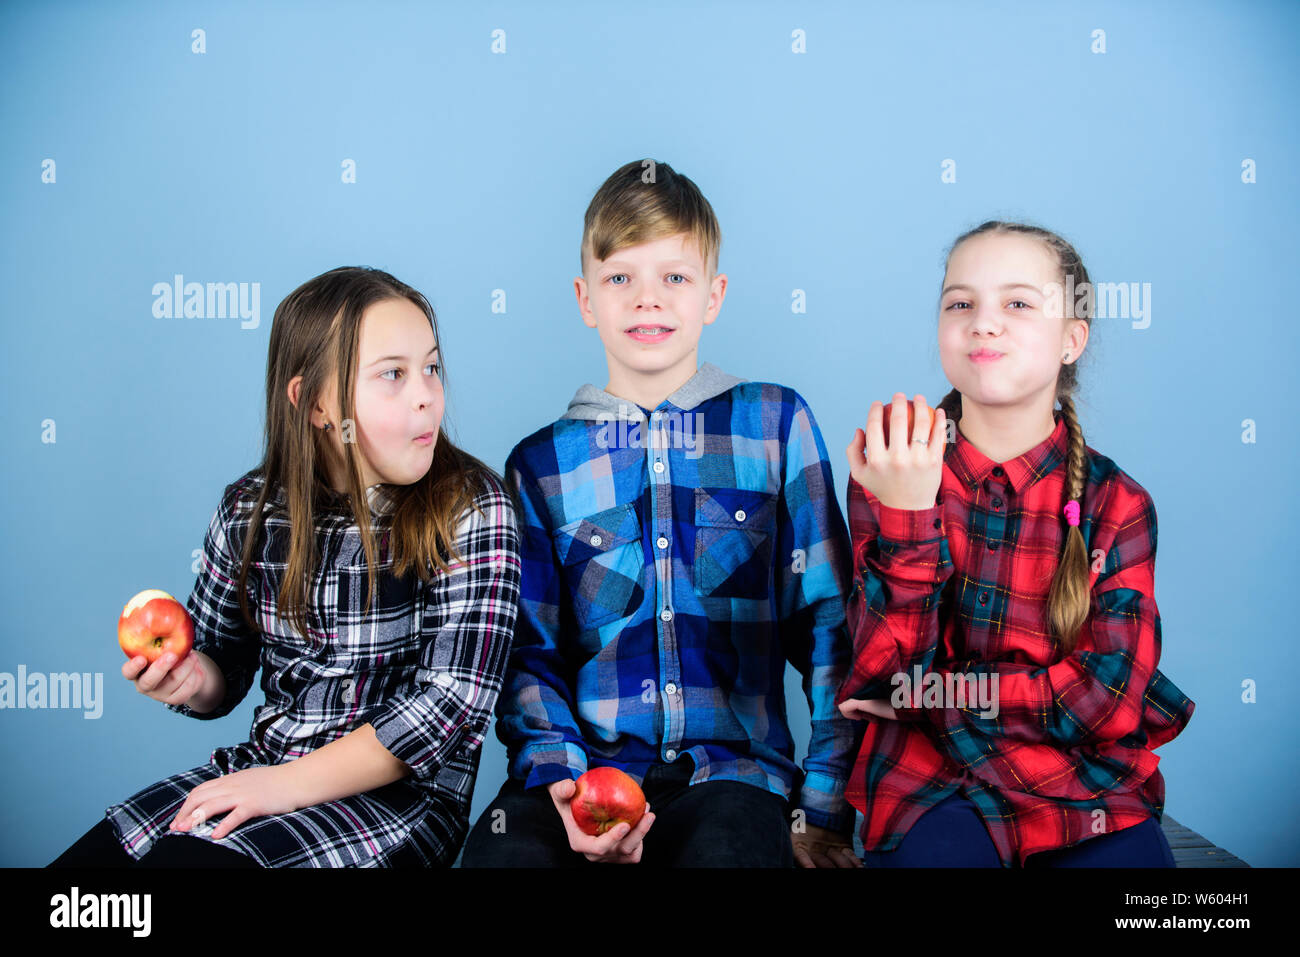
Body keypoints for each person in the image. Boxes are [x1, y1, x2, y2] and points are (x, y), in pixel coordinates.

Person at [461, 159, 861, 868]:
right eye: (621, 278)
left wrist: (822, 804)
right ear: (587, 298)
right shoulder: (541, 464)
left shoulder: (775, 424)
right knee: (501, 858)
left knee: (727, 857)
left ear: (714, 295)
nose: (648, 300)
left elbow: (831, 625)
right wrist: (560, 779)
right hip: (587, 771)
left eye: (674, 277)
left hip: (733, 777)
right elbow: (530, 654)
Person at [49, 266, 520, 868]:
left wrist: (281, 787)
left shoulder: (470, 507)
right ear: (315, 403)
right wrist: (192, 680)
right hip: (263, 769)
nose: (426, 393)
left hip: (396, 802)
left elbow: (447, 707)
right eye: (392, 375)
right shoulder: (251, 508)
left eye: (430, 367)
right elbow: (223, 666)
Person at [837, 221, 1195, 867]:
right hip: (931, 783)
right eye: (960, 302)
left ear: (1071, 339)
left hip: (1082, 784)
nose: (983, 323)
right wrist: (912, 512)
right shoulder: (891, 468)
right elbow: (884, 671)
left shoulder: (1119, 504)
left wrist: (934, 698)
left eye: (1019, 303)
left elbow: (1106, 699)